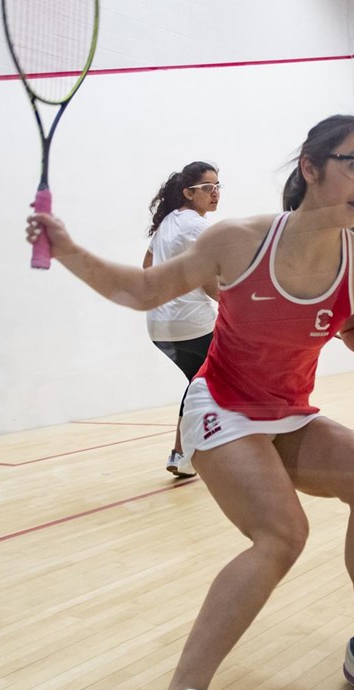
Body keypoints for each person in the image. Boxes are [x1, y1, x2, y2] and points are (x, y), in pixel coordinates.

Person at [27, 115, 354, 690]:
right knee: (282, 534)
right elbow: (142, 290)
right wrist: (68, 248)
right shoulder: (237, 241)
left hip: (288, 414)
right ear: (310, 167)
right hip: (222, 408)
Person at [142, 161, 222, 477]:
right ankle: (188, 453)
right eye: (207, 188)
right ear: (189, 193)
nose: (215, 193)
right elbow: (209, 282)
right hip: (192, 322)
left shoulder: (167, 224)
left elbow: (147, 266)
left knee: (200, 380)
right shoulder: (198, 227)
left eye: (218, 187)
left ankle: (183, 454)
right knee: (213, 380)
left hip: (160, 325)